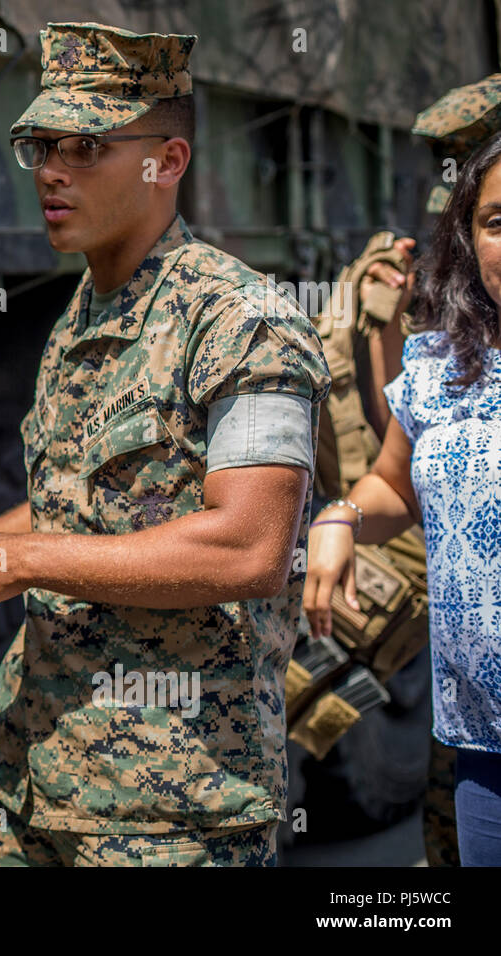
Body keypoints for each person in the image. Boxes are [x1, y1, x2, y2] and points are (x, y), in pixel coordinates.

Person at [0, 22, 330, 866]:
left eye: (85, 146)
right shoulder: (83, 316)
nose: (52, 171)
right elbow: (78, 509)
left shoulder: (244, 322)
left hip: (168, 807)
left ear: (167, 161)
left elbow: (248, 546)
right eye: (39, 145)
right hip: (29, 776)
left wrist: (14, 564)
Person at [296, 75, 501, 867]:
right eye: (491, 219)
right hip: (481, 738)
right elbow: (397, 462)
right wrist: (340, 515)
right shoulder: (445, 353)